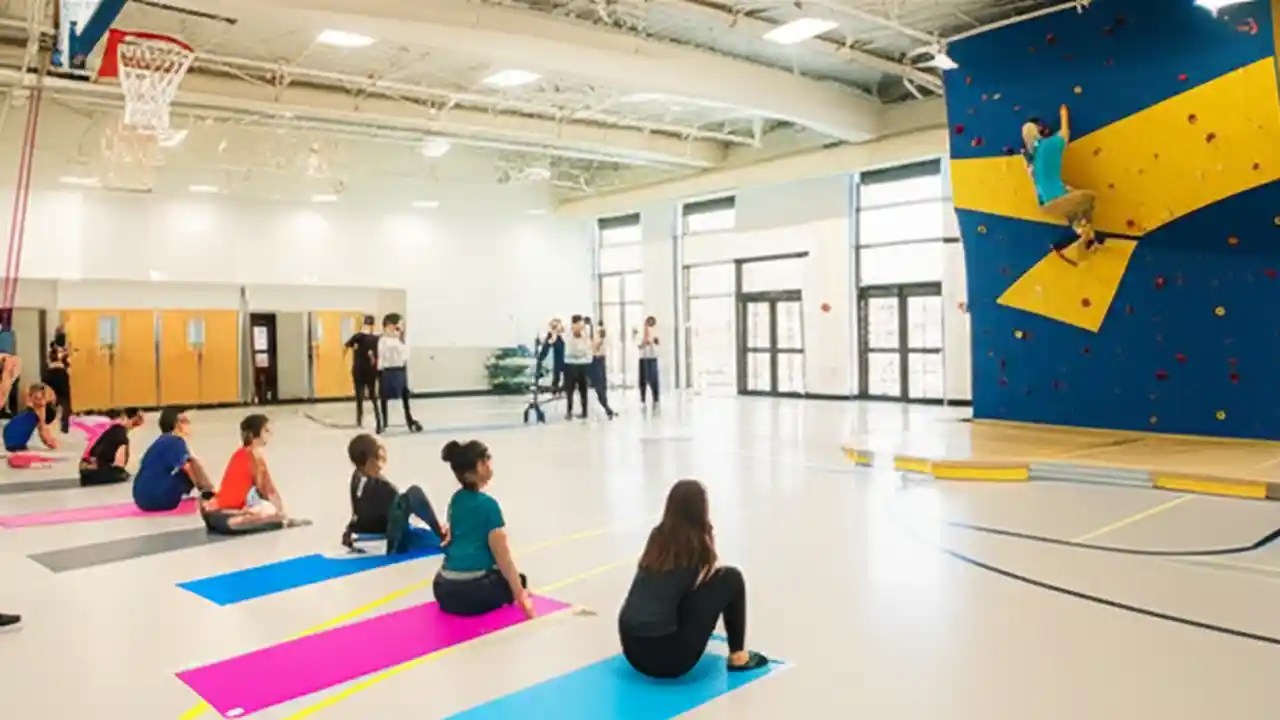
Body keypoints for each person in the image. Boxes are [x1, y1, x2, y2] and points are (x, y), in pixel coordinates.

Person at [618, 480, 769, 679]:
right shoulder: (697, 542)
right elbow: (706, 582)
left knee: (670, 595)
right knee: (731, 578)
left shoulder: (657, 537)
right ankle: (738, 657)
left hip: (632, 650)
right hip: (671, 660)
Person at [433, 439, 534, 619]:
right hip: (472, 592)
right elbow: (503, 558)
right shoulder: (489, 506)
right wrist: (521, 596)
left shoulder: (456, 501)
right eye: (486, 461)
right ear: (479, 467)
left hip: (442, 588)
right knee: (519, 579)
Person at [1022, 104, 1104, 265]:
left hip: (1047, 206)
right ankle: (1084, 237)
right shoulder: (1048, 147)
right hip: (1060, 200)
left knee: (1071, 203)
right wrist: (1064, 115)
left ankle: (1084, 234)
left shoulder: (1031, 161)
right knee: (1088, 199)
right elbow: (1065, 134)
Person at [342, 433, 448, 554]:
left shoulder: (357, 477)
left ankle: (438, 533)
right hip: (382, 541)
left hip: (361, 534)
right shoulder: (381, 487)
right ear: (371, 461)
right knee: (414, 493)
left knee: (404, 503)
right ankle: (441, 534)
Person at [201, 414, 306, 534]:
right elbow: (267, 491)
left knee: (258, 506)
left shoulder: (239, 453)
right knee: (270, 512)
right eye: (266, 431)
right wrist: (281, 515)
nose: (269, 435)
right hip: (228, 516)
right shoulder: (255, 456)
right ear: (255, 434)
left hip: (212, 513)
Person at [132, 407, 215, 512]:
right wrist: (202, 487)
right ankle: (209, 494)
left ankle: (209, 491)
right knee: (192, 464)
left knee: (190, 462)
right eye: (185, 421)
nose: (189, 424)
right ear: (177, 424)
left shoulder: (161, 441)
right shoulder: (175, 441)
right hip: (156, 499)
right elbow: (188, 467)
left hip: (141, 498)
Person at [378, 313, 422, 434]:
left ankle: (409, 421)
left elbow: (405, 357)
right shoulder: (383, 340)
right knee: (384, 398)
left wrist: (400, 339)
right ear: (391, 326)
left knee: (405, 397)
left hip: (400, 370)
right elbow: (384, 355)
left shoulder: (401, 341)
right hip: (387, 371)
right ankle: (383, 422)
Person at [79, 408, 143, 486]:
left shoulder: (109, 428)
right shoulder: (121, 435)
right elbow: (120, 463)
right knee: (123, 475)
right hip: (96, 473)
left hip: (85, 471)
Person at [344, 315, 383, 432]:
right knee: (373, 396)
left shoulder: (358, 337)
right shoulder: (376, 339)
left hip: (359, 370)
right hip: (371, 370)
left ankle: (359, 420)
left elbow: (346, 346)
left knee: (359, 396)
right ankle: (379, 421)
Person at [2, 383, 58, 452]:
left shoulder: (30, 406)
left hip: (9, 433)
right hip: (14, 440)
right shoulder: (40, 410)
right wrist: (52, 443)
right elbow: (43, 433)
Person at [42, 327, 71, 434]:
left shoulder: (51, 348)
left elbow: (47, 361)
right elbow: (68, 364)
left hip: (50, 374)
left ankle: (45, 422)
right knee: (65, 401)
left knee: (47, 399)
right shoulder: (65, 351)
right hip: (61, 374)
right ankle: (65, 426)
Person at [562, 315, 592, 420]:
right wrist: (580, 352)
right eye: (578, 324)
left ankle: (584, 412)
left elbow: (587, 349)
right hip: (570, 365)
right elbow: (570, 351)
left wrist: (581, 353)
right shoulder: (568, 335)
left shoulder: (585, 336)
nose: (580, 326)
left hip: (582, 365)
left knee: (583, 390)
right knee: (569, 390)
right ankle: (569, 411)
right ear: (573, 324)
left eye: (581, 324)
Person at [590, 324, 616, 420]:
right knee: (600, 387)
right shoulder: (598, 341)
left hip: (598, 362)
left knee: (601, 387)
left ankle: (607, 407)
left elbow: (594, 350)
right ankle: (607, 408)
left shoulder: (601, 341)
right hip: (597, 362)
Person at [536, 318, 565, 394]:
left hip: (561, 362)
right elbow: (545, 350)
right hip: (553, 363)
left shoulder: (562, 337)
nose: (556, 328)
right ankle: (554, 387)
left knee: (558, 373)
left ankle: (557, 387)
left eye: (556, 326)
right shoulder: (550, 336)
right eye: (554, 326)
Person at [637, 316, 661, 407]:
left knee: (654, 379)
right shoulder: (641, 333)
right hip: (643, 358)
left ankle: (656, 398)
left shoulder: (656, 332)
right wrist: (645, 342)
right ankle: (643, 398)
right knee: (643, 379)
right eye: (648, 322)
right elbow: (639, 345)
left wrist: (653, 341)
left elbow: (658, 343)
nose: (649, 324)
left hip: (652, 358)